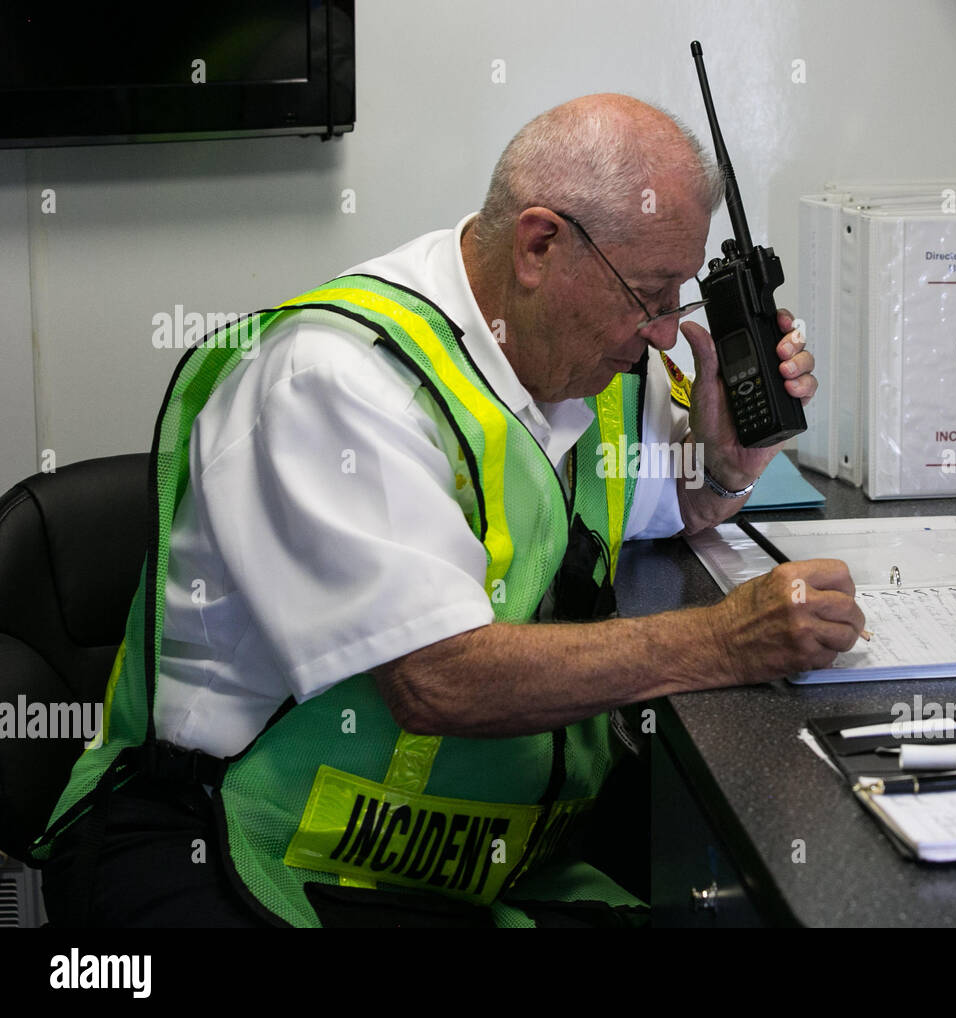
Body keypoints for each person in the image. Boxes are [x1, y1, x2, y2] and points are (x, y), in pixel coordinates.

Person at [35, 94, 865, 928]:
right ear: (539, 245)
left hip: (459, 856)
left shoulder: (585, 363)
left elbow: (670, 505)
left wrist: (726, 463)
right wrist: (724, 641)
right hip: (234, 840)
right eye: (650, 295)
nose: (660, 335)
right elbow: (439, 679)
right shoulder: (339, 380)